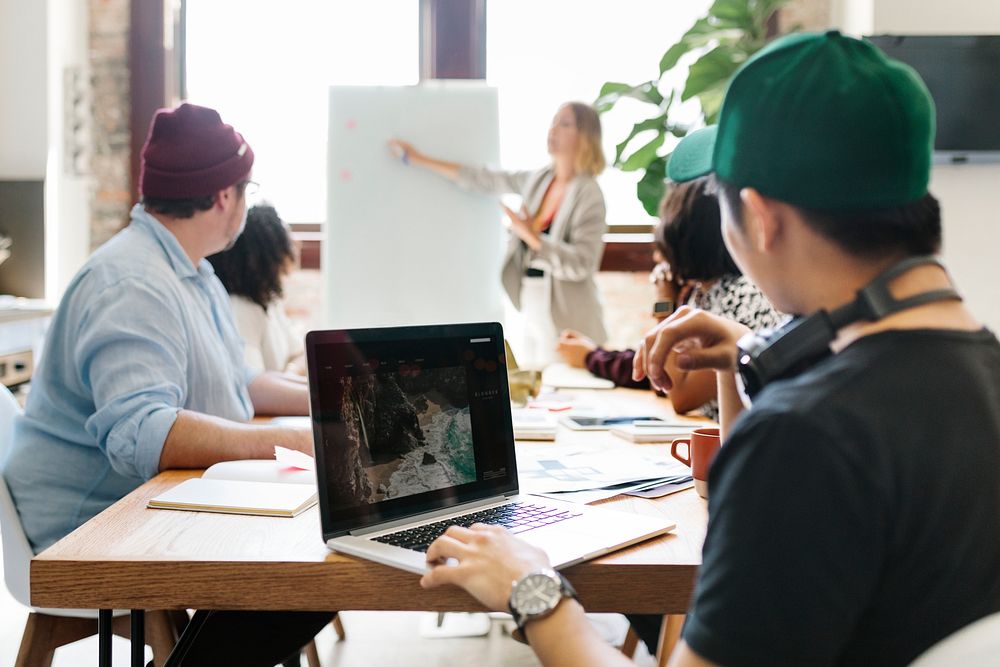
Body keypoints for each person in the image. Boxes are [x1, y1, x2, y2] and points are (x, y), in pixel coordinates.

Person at [416, 31, 1000, 667]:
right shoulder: (976, 368)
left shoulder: (805, 439)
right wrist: (745, 358)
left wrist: (533, 591)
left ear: (762, 217)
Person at [2, 103, 331, 666]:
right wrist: (290, 442)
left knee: (315, 557)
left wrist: (329, 400)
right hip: (91, 522)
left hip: (149, 503)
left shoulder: (191, 269)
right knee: (305, 568)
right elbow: (145, 434)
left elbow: (235, 382)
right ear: (224, 196)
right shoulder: (132, 283)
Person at [388, 102, 608, 367]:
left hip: (571, 318)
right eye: (553, 121)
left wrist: (532, 237)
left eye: (565, 123)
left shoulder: (589, 193)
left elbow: (581, 264)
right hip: (532, 306)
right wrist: (419, 159)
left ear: (585, 136)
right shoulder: (538, 180)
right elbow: (484, 179)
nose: (553, 129)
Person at [557, 177, 781, 418]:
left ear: (684, 236)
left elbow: (677, 394)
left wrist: (665, 303)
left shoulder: (743, 296)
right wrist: (593, 354)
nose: (657, 254)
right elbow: (659, 373)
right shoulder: (703, 293)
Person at [208, 203, 306, 376]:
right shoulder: (240, 310)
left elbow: (301, 353)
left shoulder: (269, 301)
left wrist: (290, 372)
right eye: (287, 239)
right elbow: (255, 384)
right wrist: (291, 375)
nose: (296, 244)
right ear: (268, 253)